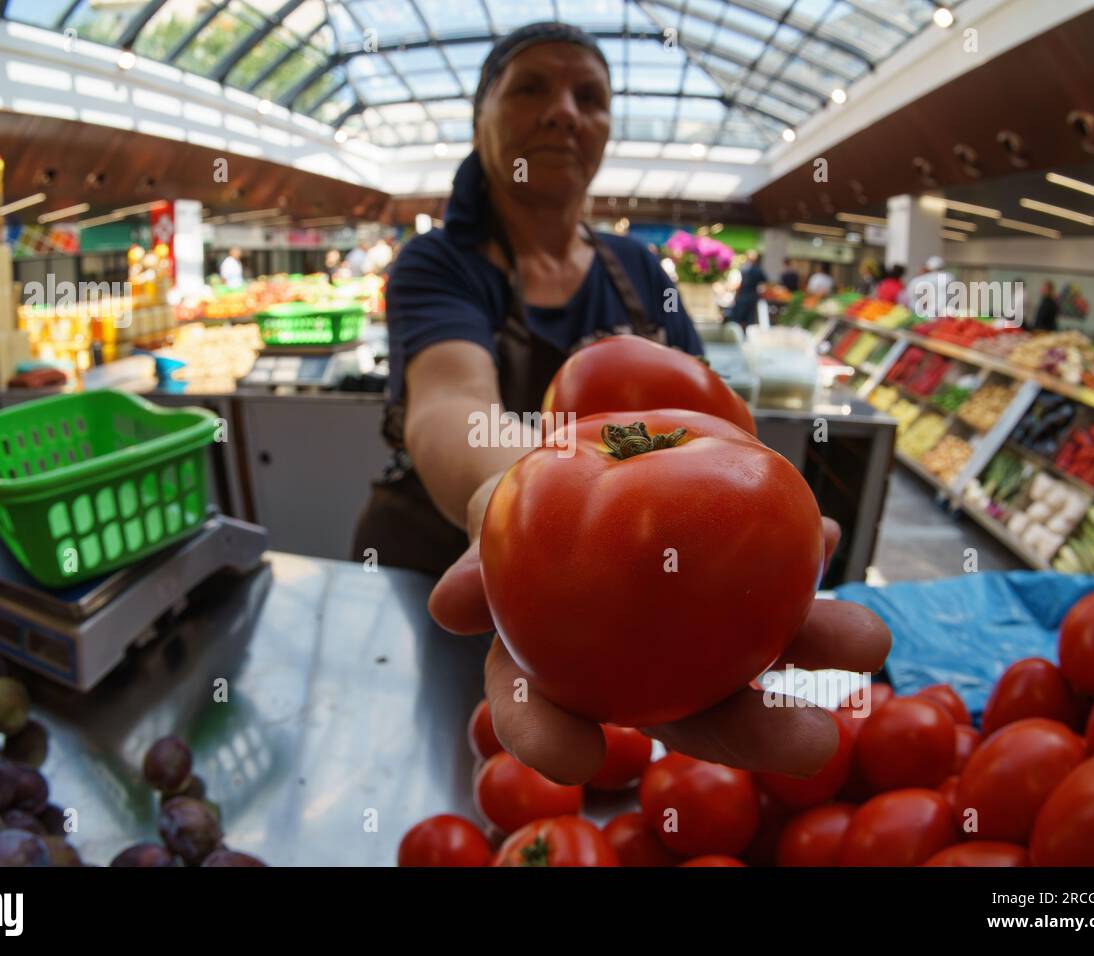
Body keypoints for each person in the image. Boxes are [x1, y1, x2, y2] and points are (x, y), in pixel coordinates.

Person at [349, 21, 888, 786]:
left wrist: (741, 533)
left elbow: (714, 429)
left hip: (636, 598)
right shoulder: (437, 262)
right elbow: (448, 405)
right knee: (420, 762)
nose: (564, 111)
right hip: (434, 569)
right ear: (481, 120)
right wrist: (514, 509)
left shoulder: (638, 266)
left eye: (590, 97)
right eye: (530, 86)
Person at [726, 249, 767, 328]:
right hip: (752, 296)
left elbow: (739, 284)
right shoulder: (758, 270)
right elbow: (763, 283)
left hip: (743, 296)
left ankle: (737, 333)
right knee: (749, 318)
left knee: (738, 317)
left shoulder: (743, 269)